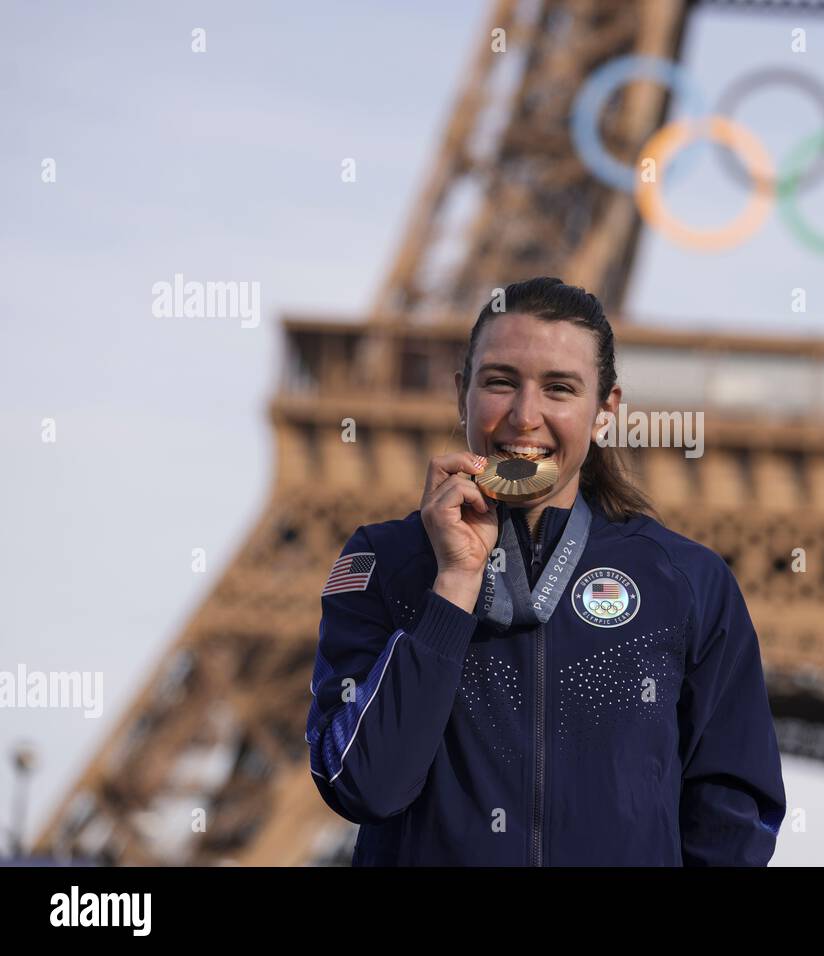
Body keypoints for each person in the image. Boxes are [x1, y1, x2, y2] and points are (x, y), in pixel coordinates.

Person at [305, 276, 786, 865]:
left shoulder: (687, 580)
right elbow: (367, 786)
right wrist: (453, 582)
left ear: (605, 412)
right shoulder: (386, 563)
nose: (524, 416)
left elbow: (733, 809)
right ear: (463, 395)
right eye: (500, 382)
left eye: (559, 388)